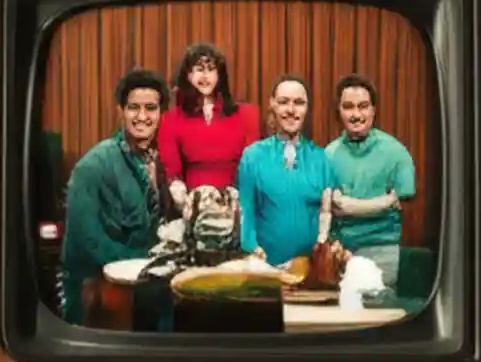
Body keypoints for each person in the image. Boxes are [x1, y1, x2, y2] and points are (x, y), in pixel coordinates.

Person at [59, 68, 174, 326]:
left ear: (161, 113)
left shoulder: (164, 160)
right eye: (134, 107)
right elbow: (87, 241)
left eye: (151, 108)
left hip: (149, 295)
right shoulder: (93, 166)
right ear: (120, 110)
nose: (142, 116)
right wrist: (148, 266)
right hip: (101, 303)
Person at [324, 74, 416, 287]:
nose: (356, 114)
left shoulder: (396, 152)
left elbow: (404, 202)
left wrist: (349, 206)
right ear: (339, 111)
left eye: (363, 106)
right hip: (340, 252)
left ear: (374, 110)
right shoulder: (329, 155)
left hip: (382, 252)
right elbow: (332, 206)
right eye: (348, 107)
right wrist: (383, 202)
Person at [236, 74, 338, 266]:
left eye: (299, 103)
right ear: (272, 105)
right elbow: (246, 212)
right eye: (284, 102)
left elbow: (328, 216)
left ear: (307, 108)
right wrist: (252, 249)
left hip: (310, 272)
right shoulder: (253, 156)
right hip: (265, 269)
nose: (291, 110)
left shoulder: (322, 159)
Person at [158, 43, 260, 209]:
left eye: (211, 69)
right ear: (188, 75)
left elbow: (250, 167)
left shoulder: (247, 115)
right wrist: (183, 199)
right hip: (192, 205)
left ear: (219, 75)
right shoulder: (171, 120)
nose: (205, 76)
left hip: (236, 204)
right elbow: (173, 173)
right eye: (199, 69)